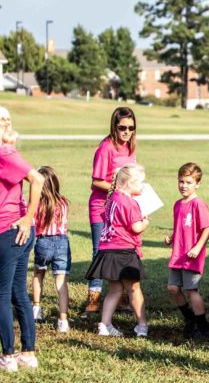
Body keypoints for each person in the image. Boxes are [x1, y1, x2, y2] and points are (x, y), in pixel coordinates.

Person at [0, 104, 45, 371]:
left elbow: (36, 179)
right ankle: (28, 355)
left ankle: (8, 358)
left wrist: (28, 217)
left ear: (0, 126)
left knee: (2, 296)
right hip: (4, 233)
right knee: (17, 293)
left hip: (10, 233)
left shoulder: (3, 153)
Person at [86, 164, 150, 338]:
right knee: (134, 289)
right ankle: (142, 325)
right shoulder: (129, 202)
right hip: (124, 251)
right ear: (129, 183)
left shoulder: (112, 198)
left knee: (114, 289)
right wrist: (146, 222)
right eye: (141, 182)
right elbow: (136, 227)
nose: (143, 186)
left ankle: (104, 324)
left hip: (107, 251)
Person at [85, 107, 137, 314]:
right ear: (114, 127)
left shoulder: (130, 148)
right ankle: (94, 297)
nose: (126, 132)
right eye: (122, 127)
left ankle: (123, 297)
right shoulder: (105, 148)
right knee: (100, 251)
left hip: (122, 208)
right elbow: (97, 181)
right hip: (102, 208)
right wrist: (119, 188)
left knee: (123, 251)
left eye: (131, 128)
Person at [165, 162, 209, 339]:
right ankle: (190, 319)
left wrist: (198, 246)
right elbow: (180, 226)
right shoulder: (178, 204)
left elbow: (208, 227)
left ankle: (203, 325)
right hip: (178, 254)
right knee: (172, 288)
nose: (183, 186)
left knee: (191, 290)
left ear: (197, 184)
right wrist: (172, 237)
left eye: (188, 182)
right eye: (181, 181)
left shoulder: (198, 204)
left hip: (192, 255)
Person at [31, 165, 71, 334]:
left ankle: (36, 308)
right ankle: (63, 320)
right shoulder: (63, 202)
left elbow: (33, 225)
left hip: (43, 242)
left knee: (38, 274)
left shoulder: (37, 204)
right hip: (62, 242)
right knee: (61, 281)